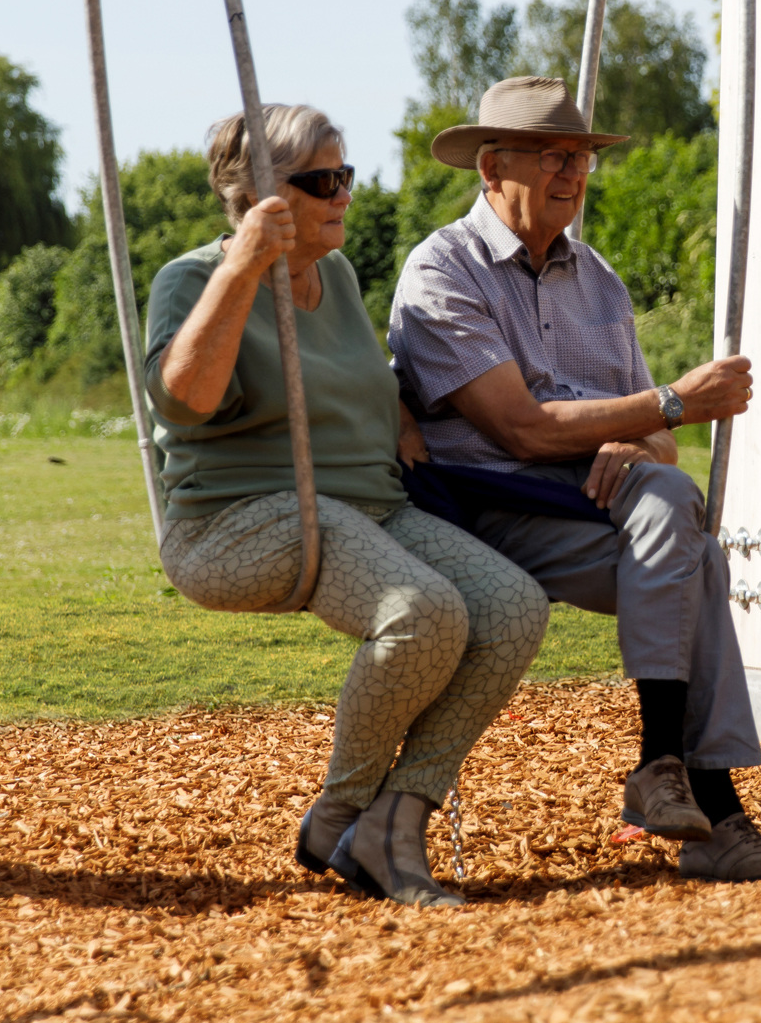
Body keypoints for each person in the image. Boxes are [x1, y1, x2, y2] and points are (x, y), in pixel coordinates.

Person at [386, 77, 761, 884]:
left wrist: (644, 433)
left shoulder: (599, 280)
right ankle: (702, 805)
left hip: (587, 509)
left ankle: (676, 784)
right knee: (694, 545)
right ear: (491, 168)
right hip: (485, 512)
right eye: (552, 156)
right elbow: (516, 428)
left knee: (684, 530)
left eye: (581, 157)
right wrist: (667, 406)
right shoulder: (442, 270)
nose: (573, 172)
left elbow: (659, 441)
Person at [144, 103, 550, 909]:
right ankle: (339, 814)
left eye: (346, 175)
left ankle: (395, 818)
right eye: (321, 180)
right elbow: (184, 397)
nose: (343, 194)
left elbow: (360, 372)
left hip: (366, 507)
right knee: (424, 611)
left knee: (513, 607)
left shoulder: (336, 273)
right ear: (259, 195)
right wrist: (243, 269)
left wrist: (399, 414)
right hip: (240, 519)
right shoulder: (192, 278)